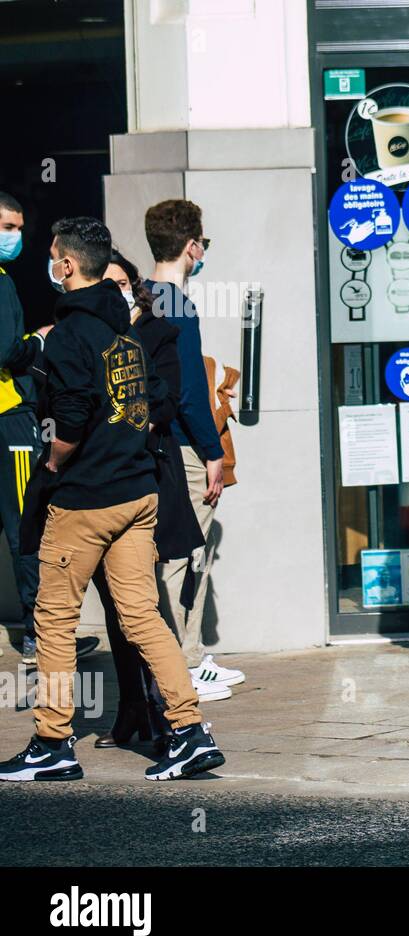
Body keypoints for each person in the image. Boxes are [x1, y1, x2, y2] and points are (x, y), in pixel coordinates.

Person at [0, 216, 224, 781]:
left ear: (68, 266)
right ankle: (189, 731)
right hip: (136, 493)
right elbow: (148, 401)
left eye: (54, 257)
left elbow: (72, 413)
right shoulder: (125, 327)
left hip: (85, 501)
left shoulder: (74, 332)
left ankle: (53, 741)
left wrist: (54, 459)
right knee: (143, 616)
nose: (50, 264)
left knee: (53, 622)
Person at [92, 250, 209, 748]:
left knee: (145, 602)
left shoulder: (161, 332)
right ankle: (133, 708)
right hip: (103, 482)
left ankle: (168, 708)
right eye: (106, 283)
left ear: (135, 286)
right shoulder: (93, 337)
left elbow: (167, 402)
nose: (113, 291)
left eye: (121, 283)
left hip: (150, 478)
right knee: (118, 604)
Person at [144, 199, 245, 697]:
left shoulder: (141, 298)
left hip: (153, 445)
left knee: (171, 555)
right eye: (202, 245)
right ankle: (183, 664)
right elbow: (188, 393)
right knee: (189, 556)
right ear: (191, 247)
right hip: (184, 449)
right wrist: (213, 456)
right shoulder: (177, 306)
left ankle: (189, 658)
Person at [0, 191, 98, 665]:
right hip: (9, 416)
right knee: (27, 525)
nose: (15, 237)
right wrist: (36, 342)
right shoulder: (1, 284)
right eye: (7, 227)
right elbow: (5, 351)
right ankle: (42, 637)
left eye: (18, 228)